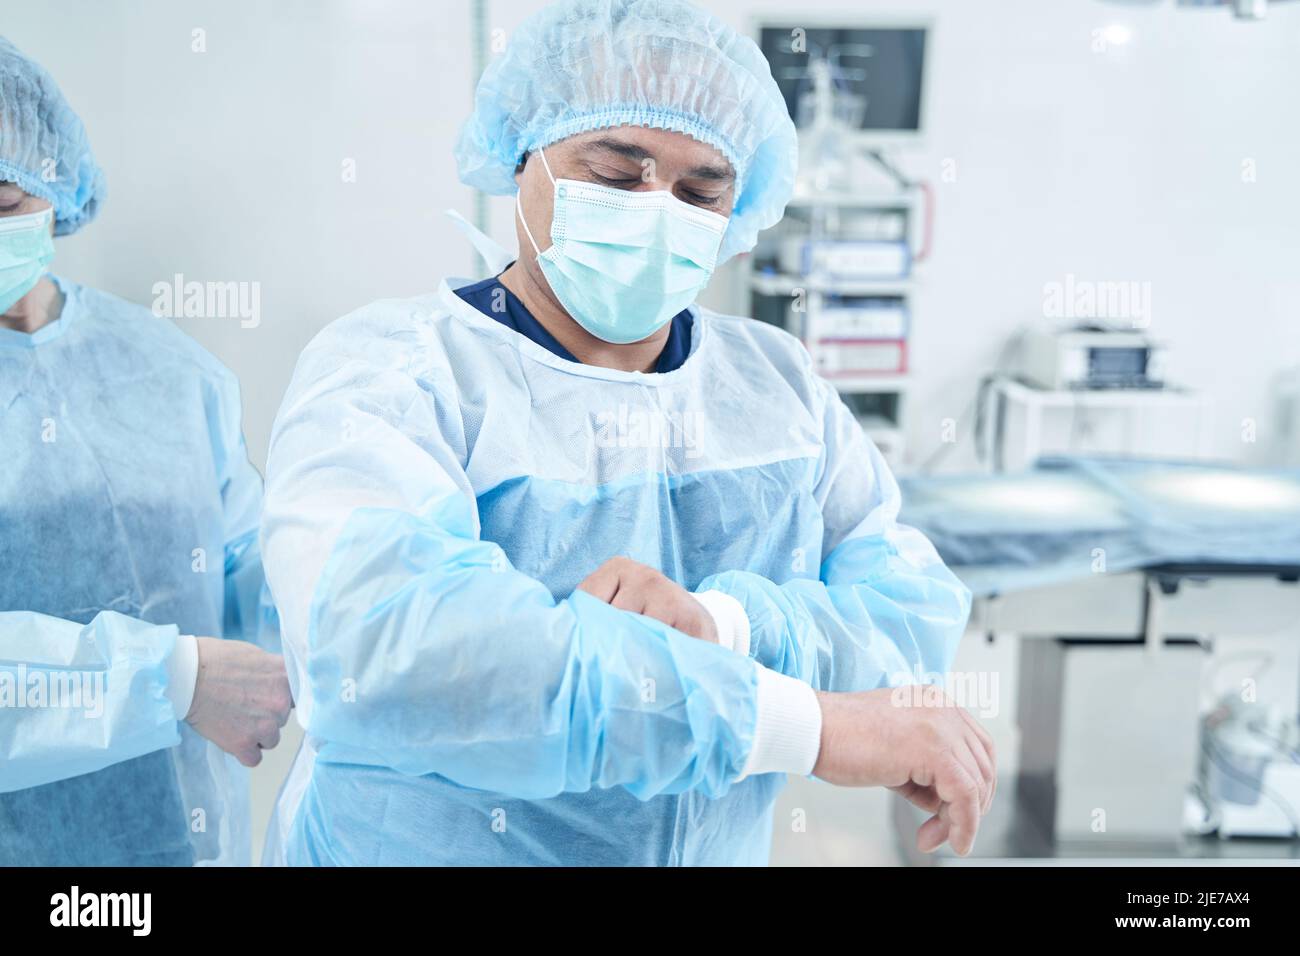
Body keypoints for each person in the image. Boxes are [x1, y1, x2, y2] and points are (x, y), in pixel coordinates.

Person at [260, 0, 993, 867]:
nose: (657, 210)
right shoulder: (397, 372)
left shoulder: (777, 385)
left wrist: (727, 627)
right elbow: (389, 656)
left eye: (700, 191)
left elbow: (908, 604)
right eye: (616, 174)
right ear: (524, 154)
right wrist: (799, 724)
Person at [0, 37, 292, 866]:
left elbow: (259, 579)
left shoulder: (170, 373)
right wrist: (167, 680)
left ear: (52, 186)